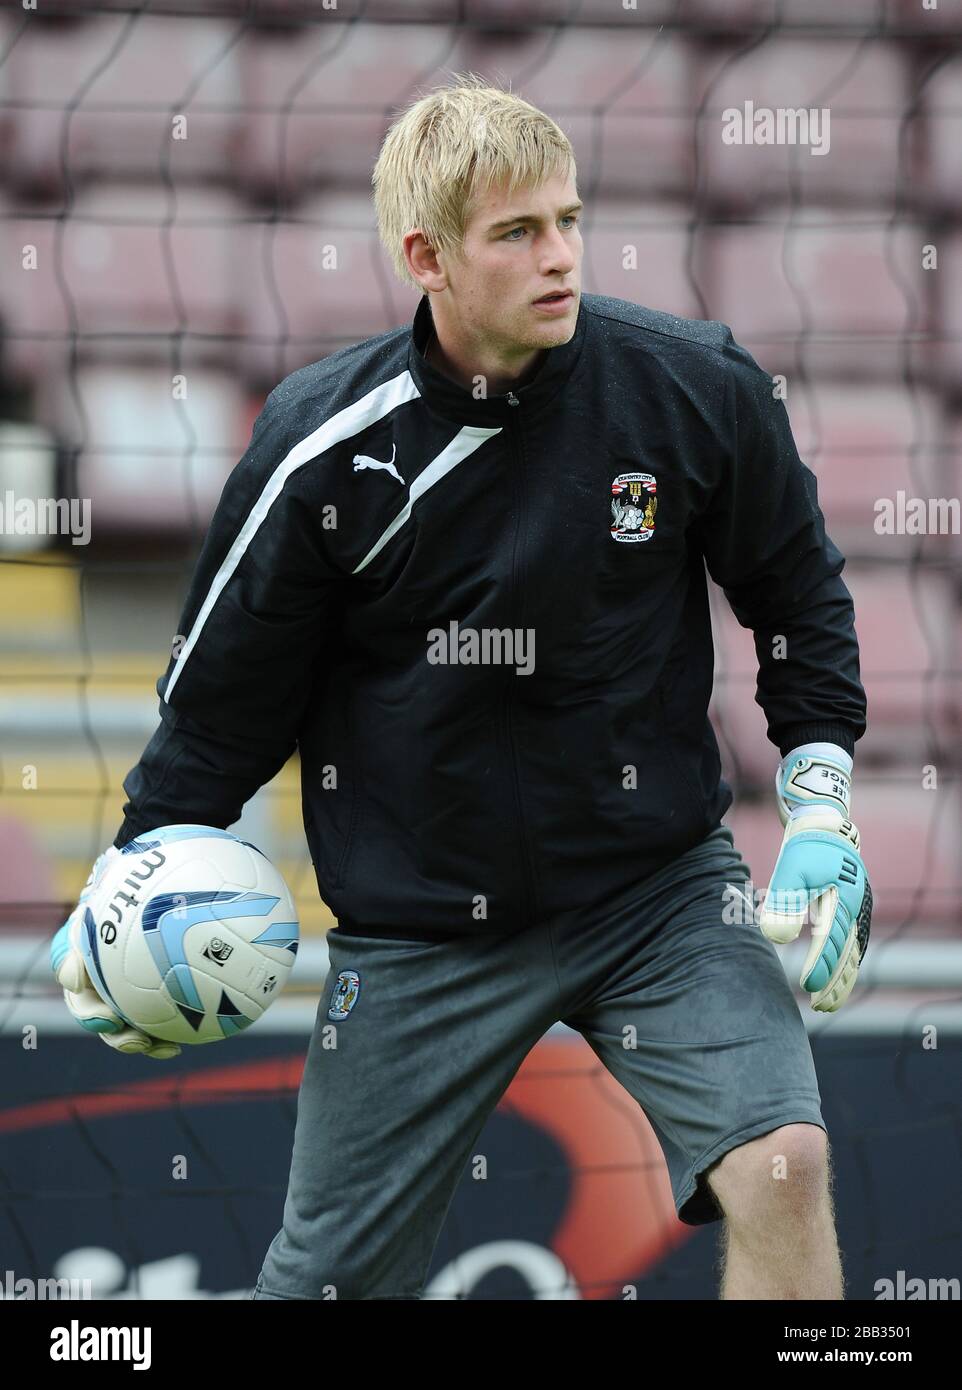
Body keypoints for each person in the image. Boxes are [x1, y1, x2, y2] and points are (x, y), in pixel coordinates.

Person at [51, 75, 871, 1300]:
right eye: (518, 233)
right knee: (327, 1281)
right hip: (419, 929)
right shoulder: (322, 442)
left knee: (786, 1164)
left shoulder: (695, 387)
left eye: (570, 220)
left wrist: (817, 806)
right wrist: (134, 865)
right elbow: (223, 699)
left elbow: (798, 598)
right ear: (424, 254)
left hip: (652, 891)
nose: (562, 258)